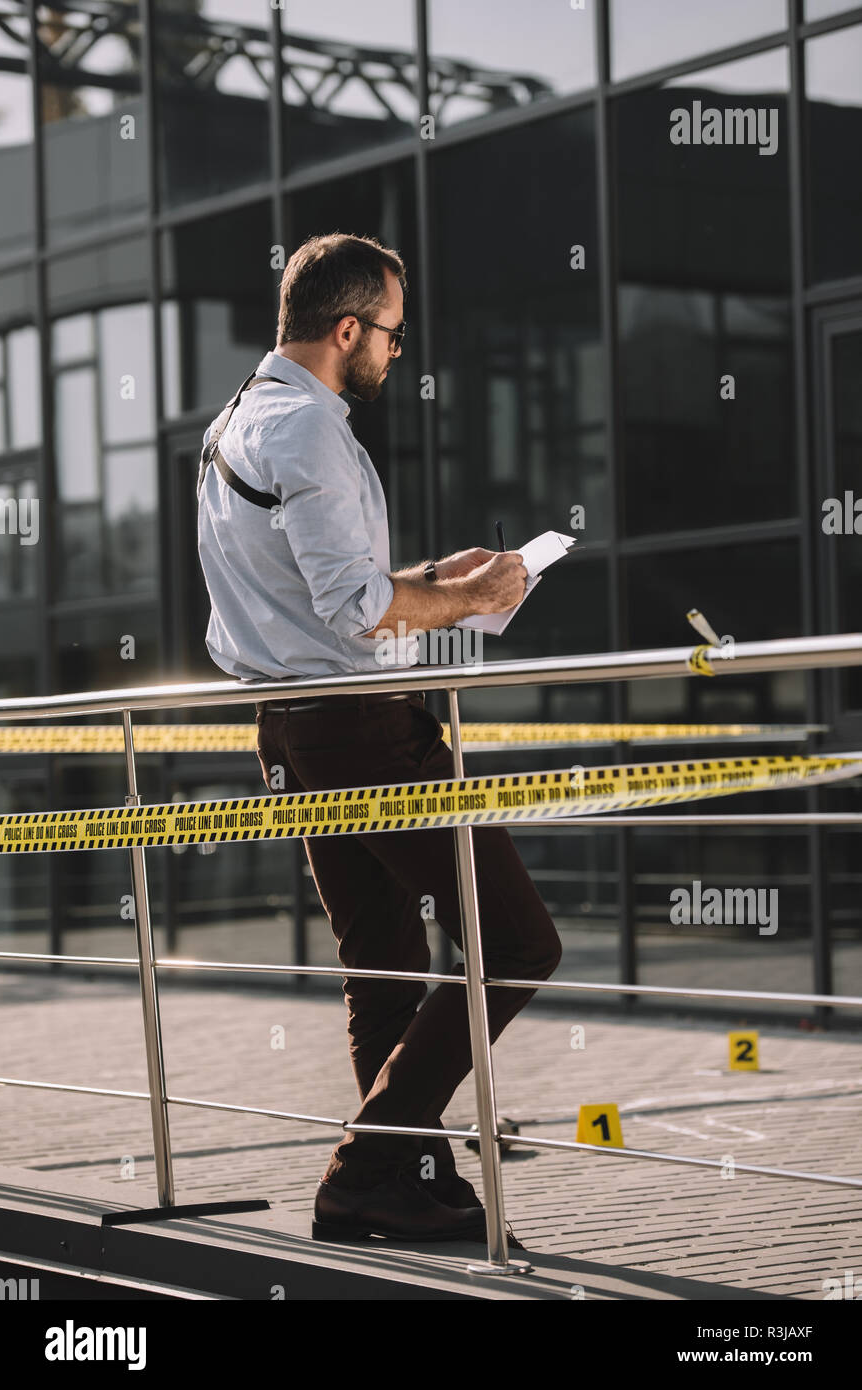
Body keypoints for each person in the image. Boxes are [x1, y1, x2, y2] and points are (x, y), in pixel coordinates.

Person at [197, 233, 562, 1244]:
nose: (400, 350)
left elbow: (315, 593)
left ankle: (410, 1183)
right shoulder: (308, 432)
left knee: (388, 965)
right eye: (393, 332)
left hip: (296, 728)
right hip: (360, 731)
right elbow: (358, 610)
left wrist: (441, 576)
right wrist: (473, 597)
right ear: (349, 328)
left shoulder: (235, 419)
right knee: (519, 938)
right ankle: (365, 1167)